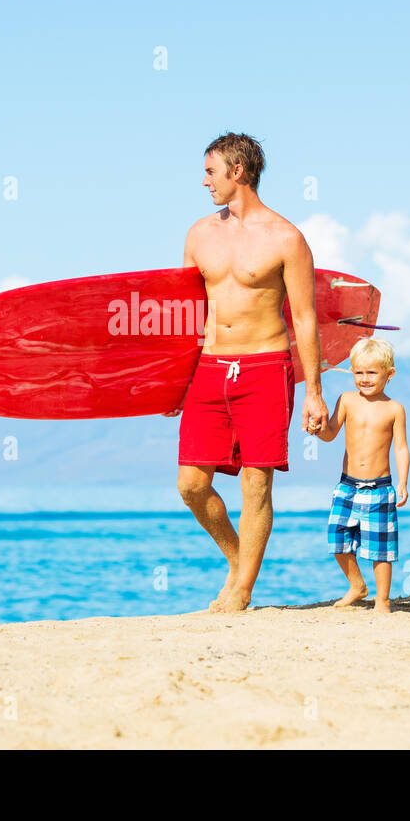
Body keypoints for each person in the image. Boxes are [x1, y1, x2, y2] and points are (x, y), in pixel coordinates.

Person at [168, 132, 329, 613]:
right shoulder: (199, 234)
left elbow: (304, 317)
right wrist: (172, 381)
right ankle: (240, 563)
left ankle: (241, 591)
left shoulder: (286, 238)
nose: (204, 182)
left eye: (211, 171)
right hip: (209, 368)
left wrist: (314, 393)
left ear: (238, 171)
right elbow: (185, 314)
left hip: (264, 366)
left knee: (256, 484)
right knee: (191, 485)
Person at [315, 338, 409, 614]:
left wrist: (403, 483)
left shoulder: (394, 409)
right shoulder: (346, 400)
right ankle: (357, 585)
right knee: (337, 538)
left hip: (380, 488)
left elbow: (401, 448)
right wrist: (317, 429)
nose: (364, 379)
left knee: (381, 548)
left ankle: (383, 599)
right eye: (359, 372)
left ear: (389, 374)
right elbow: (330, 433)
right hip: (347, 486)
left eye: (372, 373)